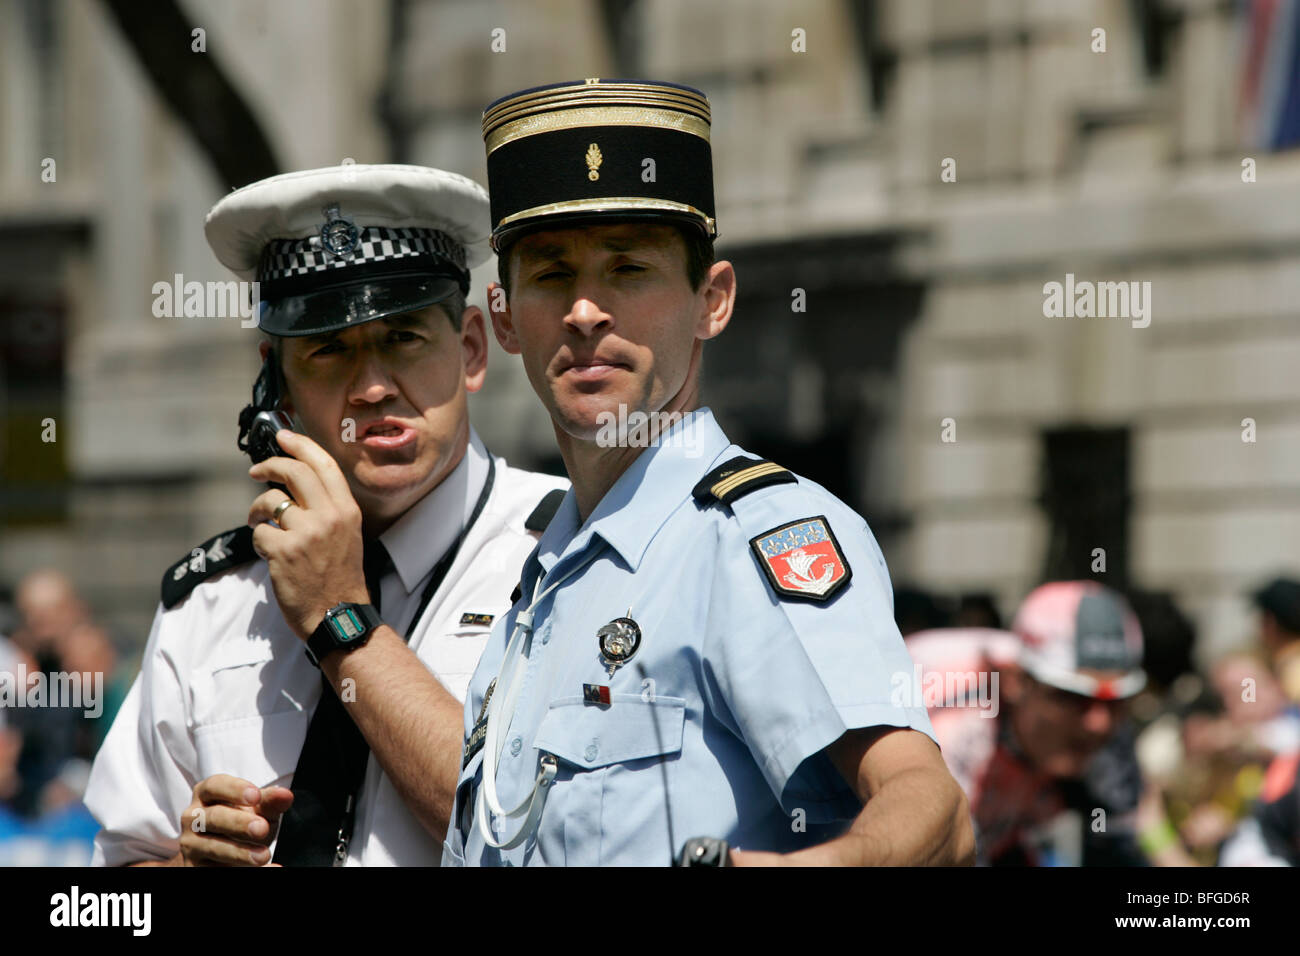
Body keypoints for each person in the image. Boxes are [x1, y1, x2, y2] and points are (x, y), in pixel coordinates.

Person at [440, 79, 974, 866]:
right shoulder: (540, 574)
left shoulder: (751, 539)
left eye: (629, 269)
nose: (586, 312)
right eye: (552, 274)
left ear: (712, 301)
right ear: (507, 316)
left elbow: (930, 803)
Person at [84, 164, 566, 866]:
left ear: (469, 347)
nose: (371, 387)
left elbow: (528, 838)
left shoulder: (567, 556)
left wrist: (340, 615)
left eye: (403, 338)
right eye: (328, 350)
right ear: (275, 380)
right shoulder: (213, 598)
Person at [906, 581, 1149, 865]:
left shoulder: (1103, 729)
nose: (1099, 723)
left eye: (1115, 701)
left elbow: (1130, 840)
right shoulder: (956, 723)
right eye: (1072, 697)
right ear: (1015, 682)